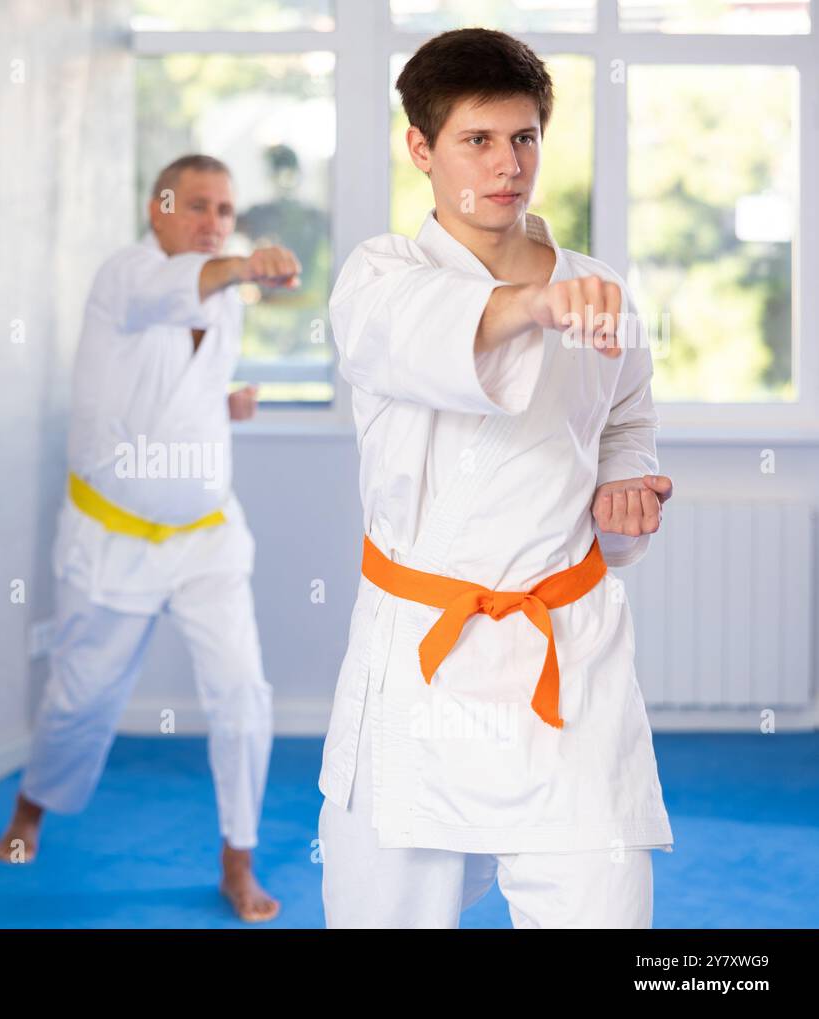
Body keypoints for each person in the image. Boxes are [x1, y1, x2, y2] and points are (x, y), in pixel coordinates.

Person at [318, 29, 675, 929]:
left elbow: (626, 420)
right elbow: (419, 333)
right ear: (422, 150)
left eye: (524, 138)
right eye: (478, 139)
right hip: (419, 661)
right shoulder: (378, 277)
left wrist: (626, 483)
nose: (507, 163)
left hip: (569, 653)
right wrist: (533, 306)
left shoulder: (600, 290)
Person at [0, 155, 300, 922]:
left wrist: (222, 401)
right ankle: (31, 807)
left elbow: (165, 387)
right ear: (156, 208)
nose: (213, 222)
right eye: (196, 205)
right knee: (80, 698)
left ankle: (239, 858)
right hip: (113, 540)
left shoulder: (224, 295)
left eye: (226, 210)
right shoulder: (128, 276)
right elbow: (172, 298)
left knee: (242, 692)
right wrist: (241, 264)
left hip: (207, 539)